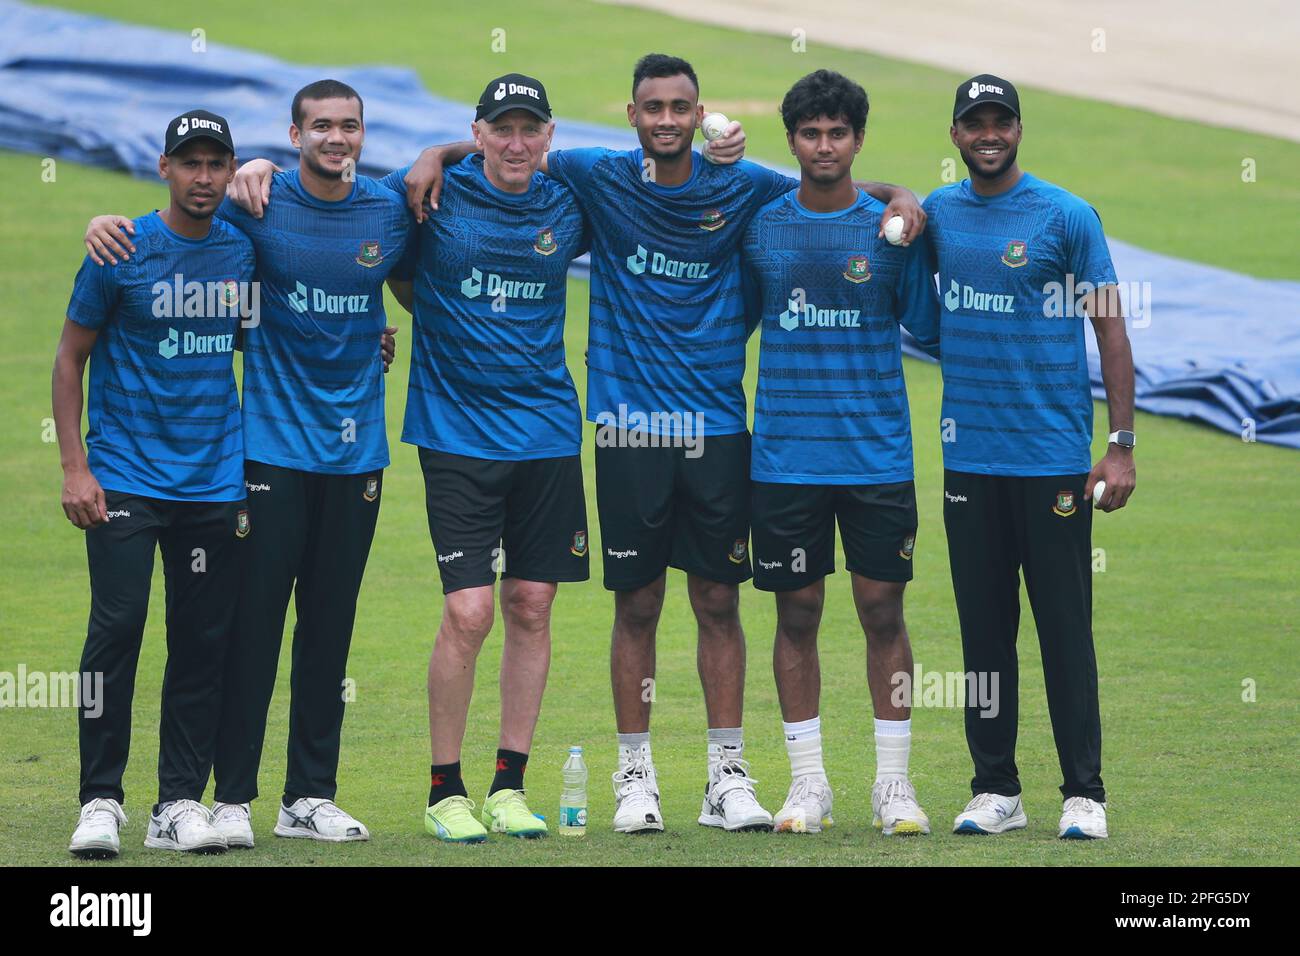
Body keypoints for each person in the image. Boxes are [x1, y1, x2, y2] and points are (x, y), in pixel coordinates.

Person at [402, 53, 927, 833]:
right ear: (632, 115)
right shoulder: (598, 175)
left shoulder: (745, 184)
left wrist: (902, 194)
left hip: (717, 426)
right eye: (654, 108)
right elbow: (504, 148)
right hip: (627, 428)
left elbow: (828, 191)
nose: (668, 120)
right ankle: (634, 779)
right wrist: (433, 153)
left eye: (681, 107)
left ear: (699, 111)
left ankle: (726, 777)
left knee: (718, 600)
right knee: (637, 602)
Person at [84, 79, 413, 847]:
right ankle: (230, 795)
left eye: (350, 126)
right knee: (250, 630)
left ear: (365, 134)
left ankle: (308, 797)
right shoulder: (247, 204)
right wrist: (104, 224)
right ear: (294, 134)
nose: (337, 137)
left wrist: (440, 149)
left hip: (357, 452)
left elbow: (439, 186)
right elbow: (173, 225)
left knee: (329, 630)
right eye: (322, 125)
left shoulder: (390, 208)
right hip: (263, 452)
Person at [922, 75, 1135, 840]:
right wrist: (895, 197)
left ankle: (1084, 793)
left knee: (1064, 629)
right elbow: (880, 199)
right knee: (983, 632)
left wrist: (1120, 444)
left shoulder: (1066, 216)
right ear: (955, 135)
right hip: (968, 462)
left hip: (1052, 462)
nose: (988, 134)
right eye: (974, 123)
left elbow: (1110, 329)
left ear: (1018, 129)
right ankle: (996, 790)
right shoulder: (940, 213)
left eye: (1000, 122)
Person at [381, 74, 590, 843]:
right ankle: (445, 790)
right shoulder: (429, 194)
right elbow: (352, 224)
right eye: (500, 128)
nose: (515, 142)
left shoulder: (569, 202)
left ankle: (510, 785)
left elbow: (655, 184)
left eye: (529, 128)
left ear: (548, 135)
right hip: (456, 434)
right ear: (475, 134)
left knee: (531, 605)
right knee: (469, 612)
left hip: (546, 433)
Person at [742, 71, 939, 836]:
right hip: (785, 460)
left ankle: (894, 785)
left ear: (859, 139)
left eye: (838, 133)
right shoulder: (760, 228)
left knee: (882, 609)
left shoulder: (894, 233)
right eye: (810, 133)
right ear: (791, 140)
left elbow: (928, 328)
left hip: (877, 459)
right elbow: (733, 325)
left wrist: (913, 210)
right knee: (798, 614)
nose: (824, 146)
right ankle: (807, 785)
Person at [58, 111, 254, 858]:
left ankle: (176, 803)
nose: (203, 177)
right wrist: (76, 467)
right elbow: (70, 358)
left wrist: (373, 338)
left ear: (230, 169)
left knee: (202, 642)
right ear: (164, 168)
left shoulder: (242, 252)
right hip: (126, 481)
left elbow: (262, 335)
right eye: (189, 163)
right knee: (117, 629)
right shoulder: (120, 248)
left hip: (213, 483)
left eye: (216, 164)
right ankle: (99, 800)